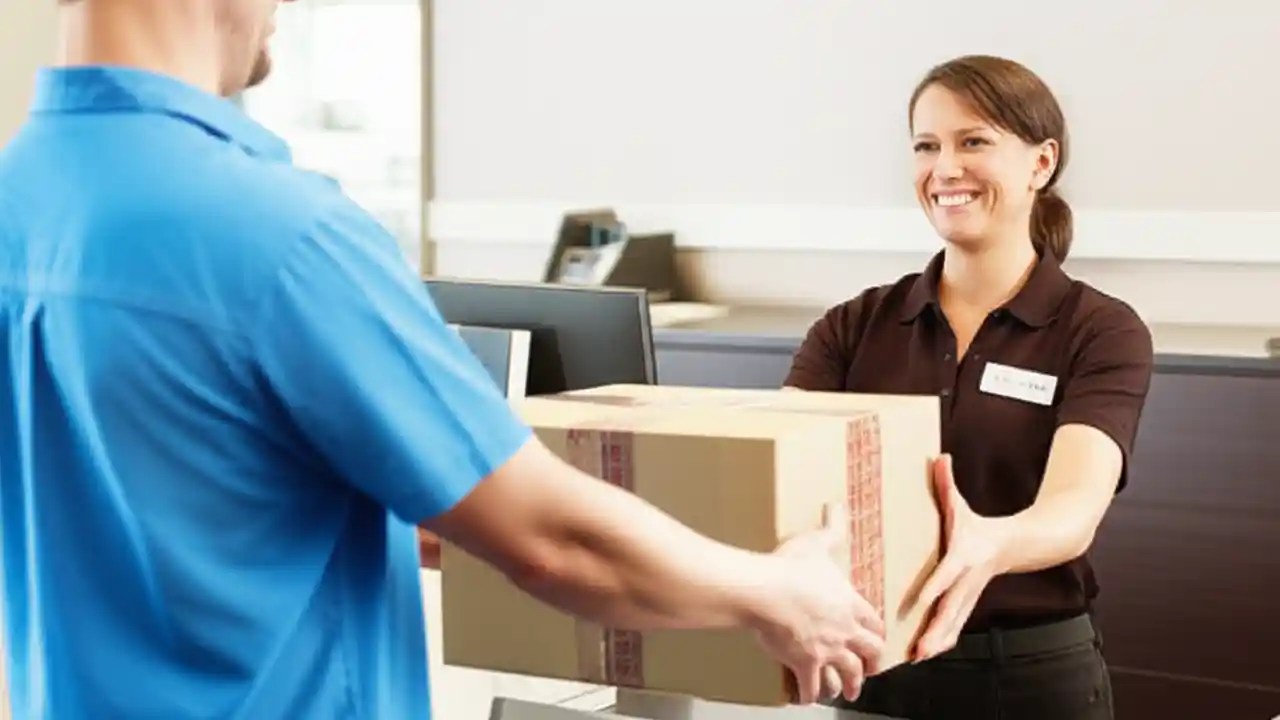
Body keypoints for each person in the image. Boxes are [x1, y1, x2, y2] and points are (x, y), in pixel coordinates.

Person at [0, 1, 885, 717]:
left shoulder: (18, 205)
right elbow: (554, 542)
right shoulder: (281, 238)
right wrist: (780, 591)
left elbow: (154, 492)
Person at [785, 55, 1154, 720]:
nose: (945, 168)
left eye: (973, 141)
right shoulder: (853, 325)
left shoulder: (1101, 330)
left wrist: (989, 545)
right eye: (927, 146)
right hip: (875, 669)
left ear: (1041, 163)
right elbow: (782, 466)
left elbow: (1072, 509)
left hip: (1029, 674)